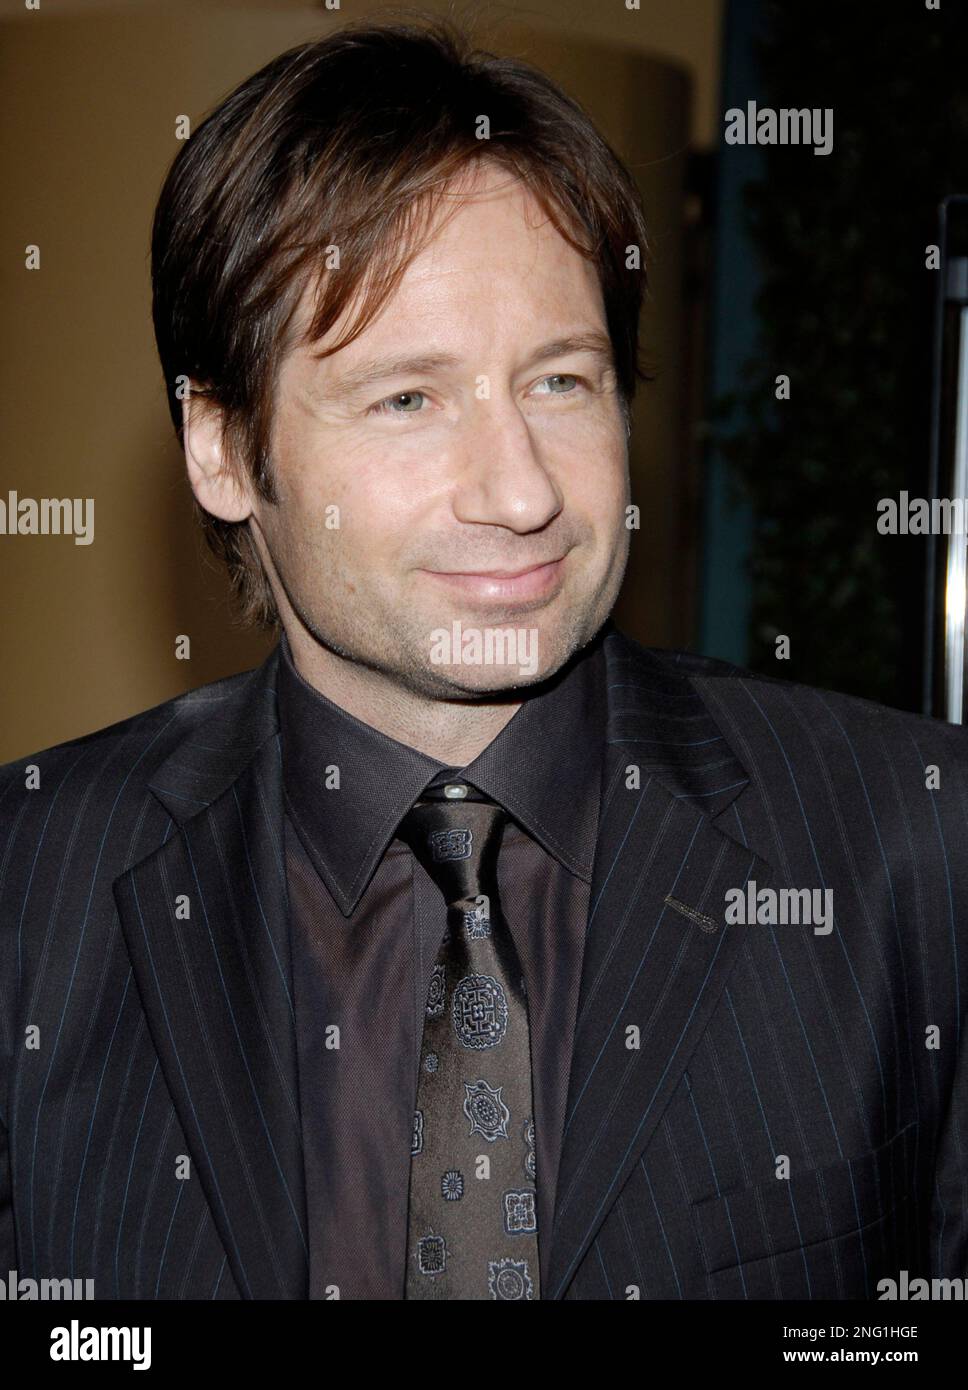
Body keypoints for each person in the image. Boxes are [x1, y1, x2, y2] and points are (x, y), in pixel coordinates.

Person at [0, 18, 965, 1302]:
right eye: (408, 398)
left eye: (561, 382)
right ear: (223, 447)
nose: (521, 493)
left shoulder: (910, 842)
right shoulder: (31, 890)